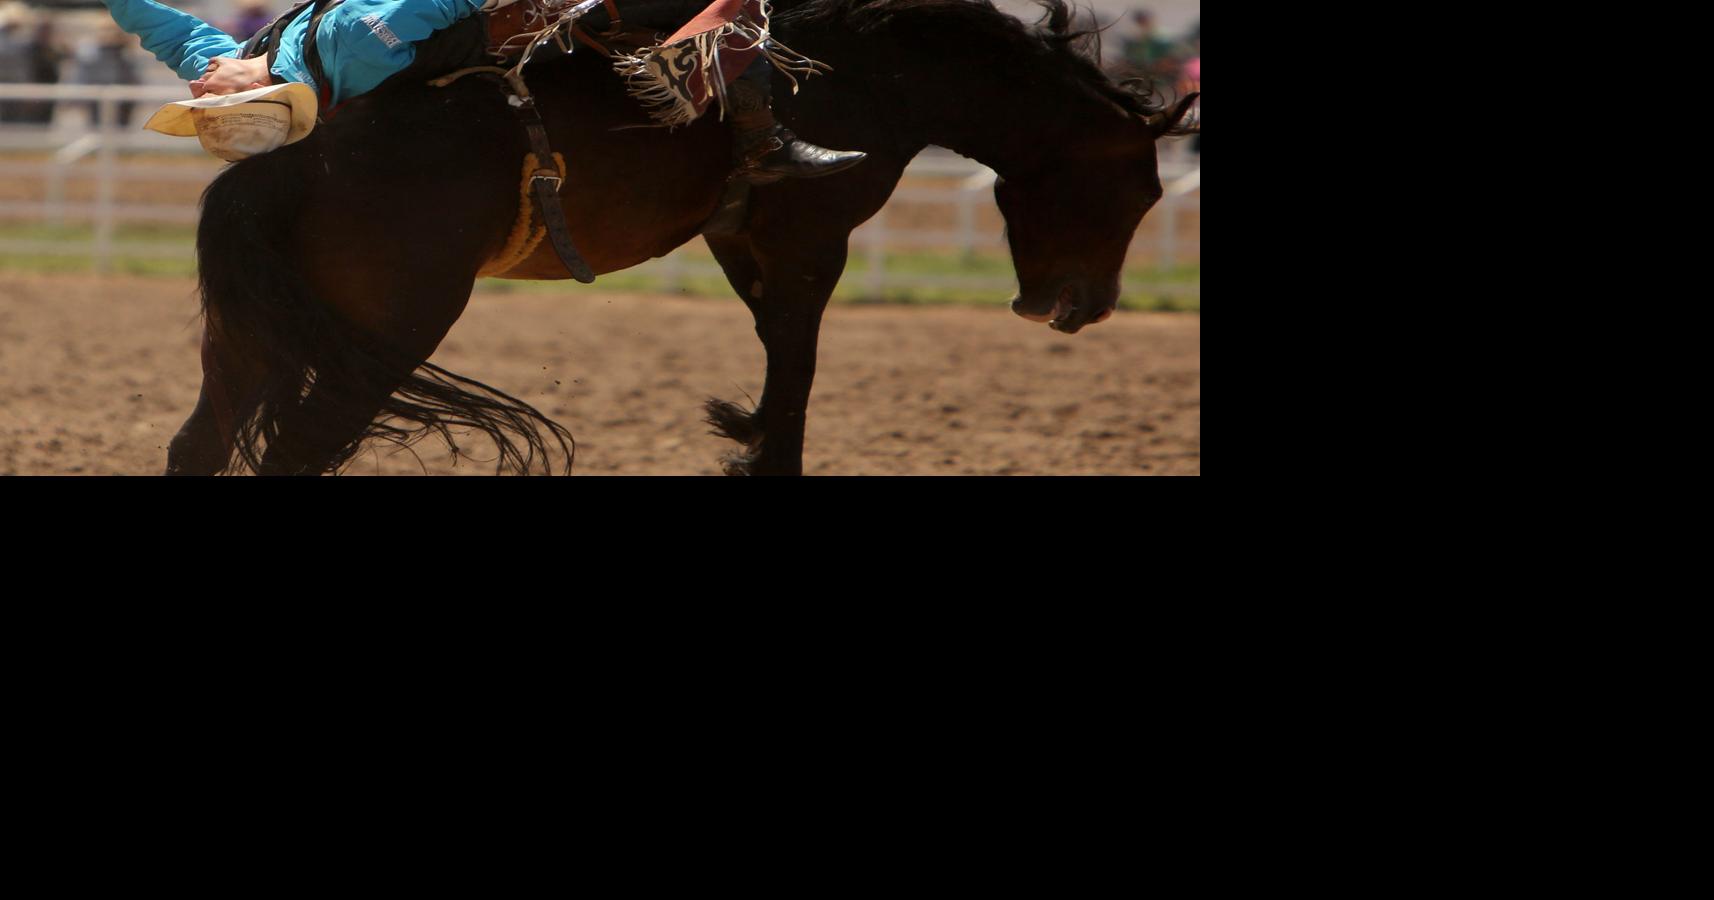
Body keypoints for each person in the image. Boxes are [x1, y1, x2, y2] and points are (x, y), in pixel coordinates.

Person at [100, 0, 864, 179]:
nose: (198, 84)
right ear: (254, 97)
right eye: (209, 95)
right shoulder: (350, 42)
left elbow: (161, 28)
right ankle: (761, 135)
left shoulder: (252, 56)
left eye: (198, 91)